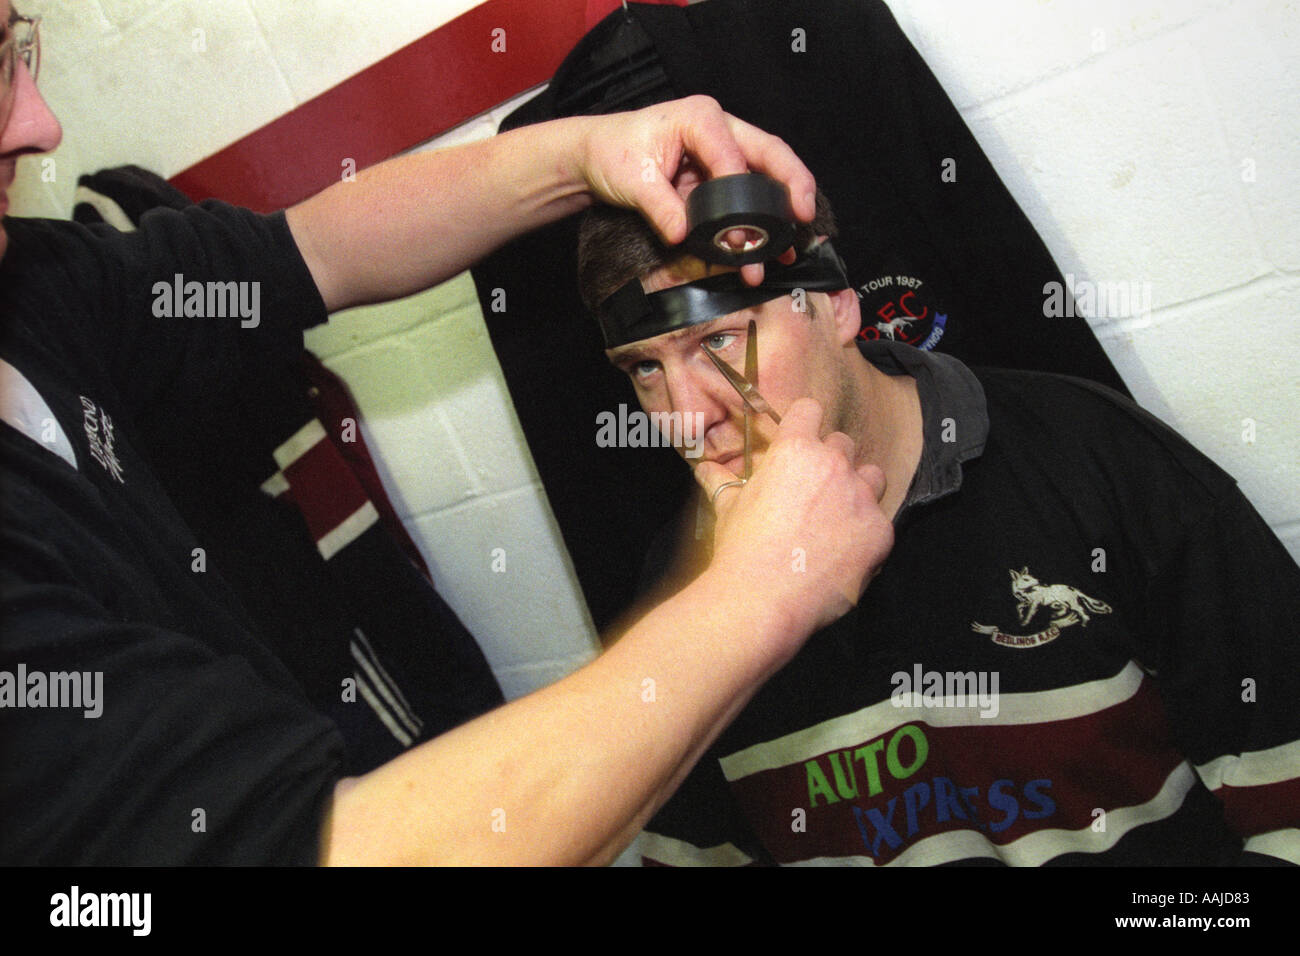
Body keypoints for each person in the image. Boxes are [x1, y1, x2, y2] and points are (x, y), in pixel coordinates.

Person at [0, 2, 896, 865]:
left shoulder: (39, 290)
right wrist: (756, 597)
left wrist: (590, 153)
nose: (41, 123)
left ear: (841, 306)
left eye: (14, 46)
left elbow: (313, 252)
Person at [575, 187, 1300, 866]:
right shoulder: (681, 596)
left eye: (721, 342)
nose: (684, 415)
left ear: (836, 308)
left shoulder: (1096, 463)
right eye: (643, 368)